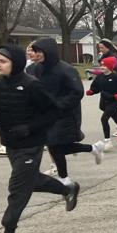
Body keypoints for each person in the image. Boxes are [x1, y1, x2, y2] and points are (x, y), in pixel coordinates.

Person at [0, 45, 80, 233]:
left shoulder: (32, 85)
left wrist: (29, 128)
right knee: (30, 180)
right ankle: (67, 189)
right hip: (11, 143)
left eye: (2, 61)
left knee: (18, 187)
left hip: (31, 144)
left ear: (16, 63)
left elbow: (54, 112)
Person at [27, 37, 105, 186]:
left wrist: (58, 104)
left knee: (54, 145)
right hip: (45, 114)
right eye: (34, 51)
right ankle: (93, 149)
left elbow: (77, 92)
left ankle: (64, 179)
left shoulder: (66, 70)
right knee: (54, 145)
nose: (36, 54)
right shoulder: (32, 69)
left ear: (48, 52)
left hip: (65, 114)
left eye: (39, 51)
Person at [86, 55, 117, 152]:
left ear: (110, 67)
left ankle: (107, 142)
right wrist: (91, 91)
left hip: (115, 101)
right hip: (104, 102)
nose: (102, 67)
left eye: (104, 66)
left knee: (104, 119)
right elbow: (95, 87)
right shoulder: (100, 77)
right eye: (101, 65)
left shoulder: (116, 77)